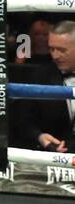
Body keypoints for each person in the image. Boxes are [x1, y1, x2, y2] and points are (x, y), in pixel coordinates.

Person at [15, 20, 75, 152]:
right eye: (52, 48)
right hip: (53, 155)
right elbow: (23, 120)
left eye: (61, 50)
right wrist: (39, 136)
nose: (55, 55)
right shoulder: (40, 76)